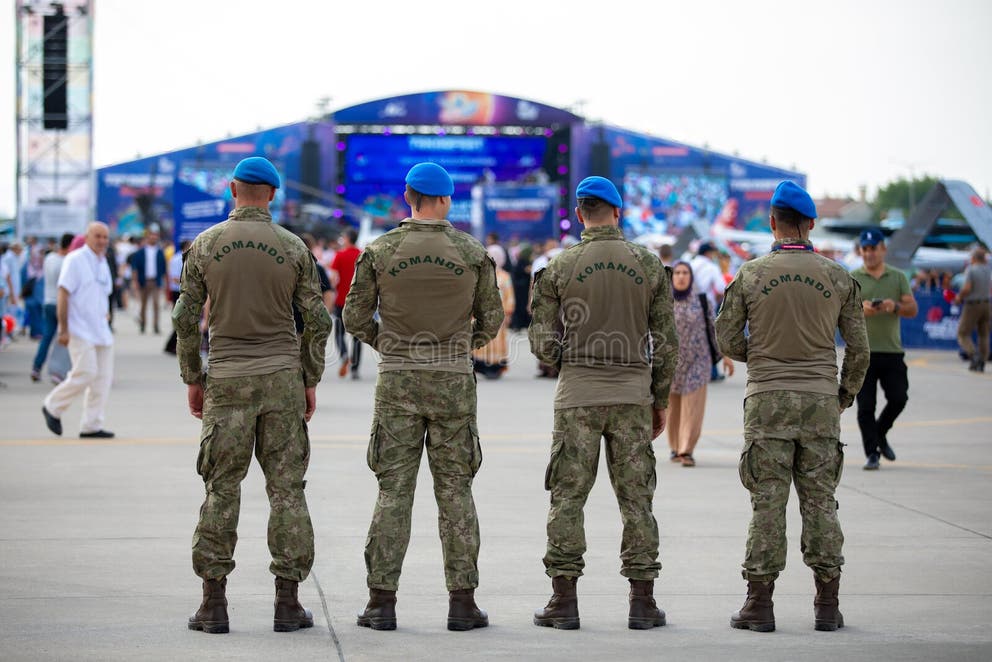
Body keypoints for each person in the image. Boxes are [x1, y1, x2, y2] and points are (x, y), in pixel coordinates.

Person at [172, 157, 332, 635]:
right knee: (287, 490)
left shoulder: (205, 244)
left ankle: (213, 605)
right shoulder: (292, 246)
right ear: (273, 195)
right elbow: (319, 321)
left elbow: (185, 318)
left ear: (232, 190)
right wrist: (309, 377)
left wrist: (193, 377)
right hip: (281, 378)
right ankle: (288, 603)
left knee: (222, 488)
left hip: (227, 378)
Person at [344, 162, 503, 632]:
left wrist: (391, 344)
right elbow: (492, 320)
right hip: (453, 381)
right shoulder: (471, 252)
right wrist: (454, 347)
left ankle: (381, 602)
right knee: (455, 490)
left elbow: (354, 318)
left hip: (397, 381)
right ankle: (462, 602)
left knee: (393, 491)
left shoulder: (381, 250)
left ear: (408, 196)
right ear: (447, 200)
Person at [716, 181, 869, 633]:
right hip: (820, 401)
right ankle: (827, 604)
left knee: (768, 503)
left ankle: (759, 605)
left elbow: (725, 339)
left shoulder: (750, 274)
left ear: (771, 223)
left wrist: (762, 356)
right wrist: (842, 394)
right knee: (821, 501)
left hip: (766, 401)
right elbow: (859, 349)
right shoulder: (838, 276)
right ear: (811, 224)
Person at [528, 176, 678, 631]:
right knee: (636, 499)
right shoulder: (648, 264)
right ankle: (642, 602)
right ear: (617, 213)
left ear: (580, 214)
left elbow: (540, 342)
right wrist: (659, 399)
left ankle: (564, 600)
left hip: (578, 395)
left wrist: (567, 361)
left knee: (568, 497)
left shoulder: (560, 266)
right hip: (632, 394)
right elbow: (666, 341)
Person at [41, 222, 117, 439]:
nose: (102, 241)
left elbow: (103, 293)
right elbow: (63, 293)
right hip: (78, 328)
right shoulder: (75, 260)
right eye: (97, 236)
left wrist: (106, 315)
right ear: (87, 237)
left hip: (101, 329)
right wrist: (63, 329)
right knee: (85, 372)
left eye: (105, 237)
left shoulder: (103, 262)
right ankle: (52, 406)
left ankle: (91, 425)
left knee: (102, 379)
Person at [850, 228, 918, 471]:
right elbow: (841, 309)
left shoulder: (897, 277)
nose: (868, 254)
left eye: (873, 249)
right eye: (865, 249)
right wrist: (861, 308)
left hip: (891, 350)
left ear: (883, 250)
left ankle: (880, 432)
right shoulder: (853, 277)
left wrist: (894, 306)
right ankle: (872, 453)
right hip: (863, 351)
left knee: (899, 397)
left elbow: (912, 309)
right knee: (865, 406)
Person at [667, 261, 734, 467]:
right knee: (673, 408)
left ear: (691, 276)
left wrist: (725, 355)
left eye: (685, 273)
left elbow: (713, 329)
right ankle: (675, 446)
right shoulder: (664, 301)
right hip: (671, 363)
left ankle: (686, 450)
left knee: (693, 407)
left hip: (698, 361)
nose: (680, 276)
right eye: (677, 273)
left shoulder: (702, 300)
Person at [31, 233, 74, 381]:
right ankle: (57, 371)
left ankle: (36, 367)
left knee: (47, 337)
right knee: (63, 336)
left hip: (48, 302)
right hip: (60, 303)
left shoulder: (49, 258)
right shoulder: (66, 262)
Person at [472, 245, 515, 379]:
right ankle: (482, 366)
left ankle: (496, 367)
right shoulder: (481, 274)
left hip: (499, 315)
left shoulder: (505, 276)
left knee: (497, 340)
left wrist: (508, 312)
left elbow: (509, 296)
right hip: (483, 313)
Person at [691, 241, 726, 382]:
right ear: (708, 253)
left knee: (693, 340)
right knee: (710, 339)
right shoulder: (712, 267)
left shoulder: (690, 263)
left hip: (690, 306)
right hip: (706, 307)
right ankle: (712, 372)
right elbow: (721, 287)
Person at [330, 228, 363, 379]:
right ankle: (355, 368)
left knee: (339, 333)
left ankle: (344, 355)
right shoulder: (362, 254)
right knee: (357, 335)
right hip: (358, 302)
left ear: (348, 238)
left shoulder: (339, 255)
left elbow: (333, 278)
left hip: (341, 300)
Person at [954, 247, 991, 372]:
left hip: (973, 304)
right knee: (984, 334)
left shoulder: (971, 270)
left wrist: (959, 297)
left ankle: (974, 355)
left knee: (962, 333)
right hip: (987, 304)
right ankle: (982, 361)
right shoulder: (988, 270)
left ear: (974, 258)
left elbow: (967, 288)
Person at [130, 228, 167, 333]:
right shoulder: (140, 252)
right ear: (147, 238)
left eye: (155, 236)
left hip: (155, 281)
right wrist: (135, 281)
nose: (153, 238)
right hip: (144, 281)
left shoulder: (160, 252)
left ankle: (156, 325)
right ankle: (143, 323)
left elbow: (164, 268)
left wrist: (164, 282)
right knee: (143, 304)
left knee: (156, 303)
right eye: (151, 236)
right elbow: (135, 268)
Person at [163, 240, 191, 355]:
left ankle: (175, 345)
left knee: (183, 320)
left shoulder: (187, 258)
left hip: (183, 291)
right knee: (179, 319)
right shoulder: (176, 259)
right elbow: (174, 278)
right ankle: (170, 345)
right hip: (178, 292)